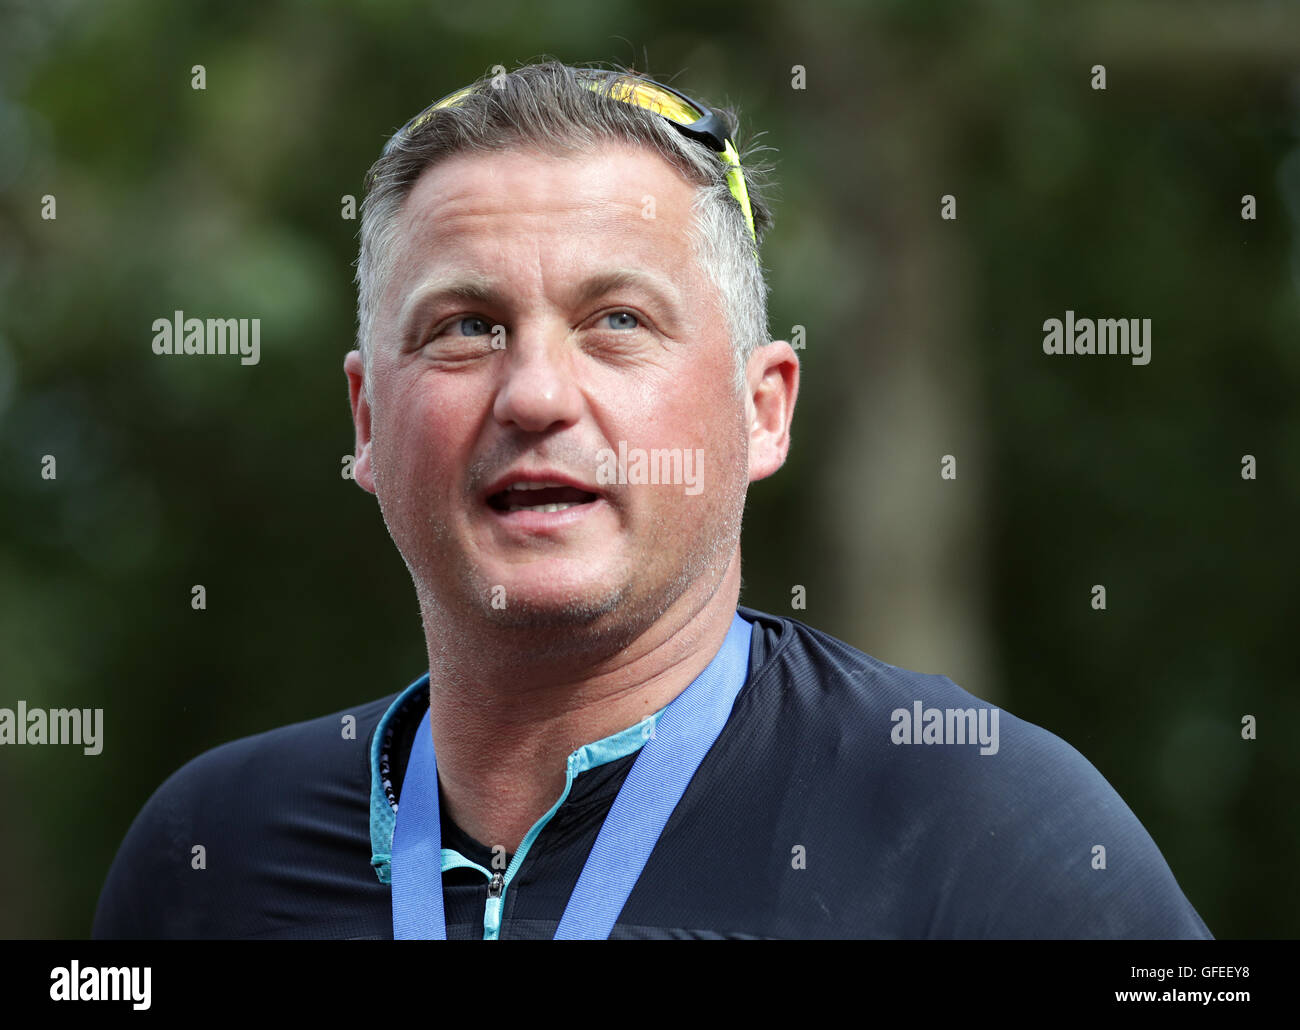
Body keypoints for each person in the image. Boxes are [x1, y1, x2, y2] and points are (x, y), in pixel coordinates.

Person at [92, 60, 1212, 940]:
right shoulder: (207, 855)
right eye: (465, 327)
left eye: (617, 321)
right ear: (367, 424)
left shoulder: (984, 825)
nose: (533, 394)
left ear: (762, 408)